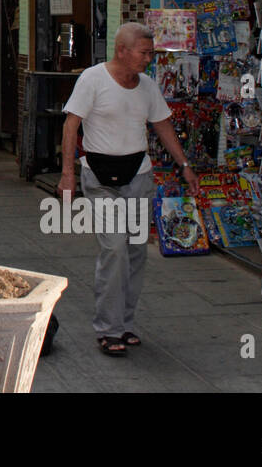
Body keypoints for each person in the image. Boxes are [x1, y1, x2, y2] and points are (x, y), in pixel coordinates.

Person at [59, 22, 199, 357]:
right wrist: (67, 174)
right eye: (144, 52)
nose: (148, 59)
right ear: (122, 50)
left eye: (151, 53)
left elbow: (162, 124)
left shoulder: (148, 86)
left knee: (136, 252)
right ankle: (107, 329)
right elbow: (71, 125)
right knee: (115, 249)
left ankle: (125, 322)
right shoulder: (92, 79)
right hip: (99, 174)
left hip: (138, 175)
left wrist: (184, 165)